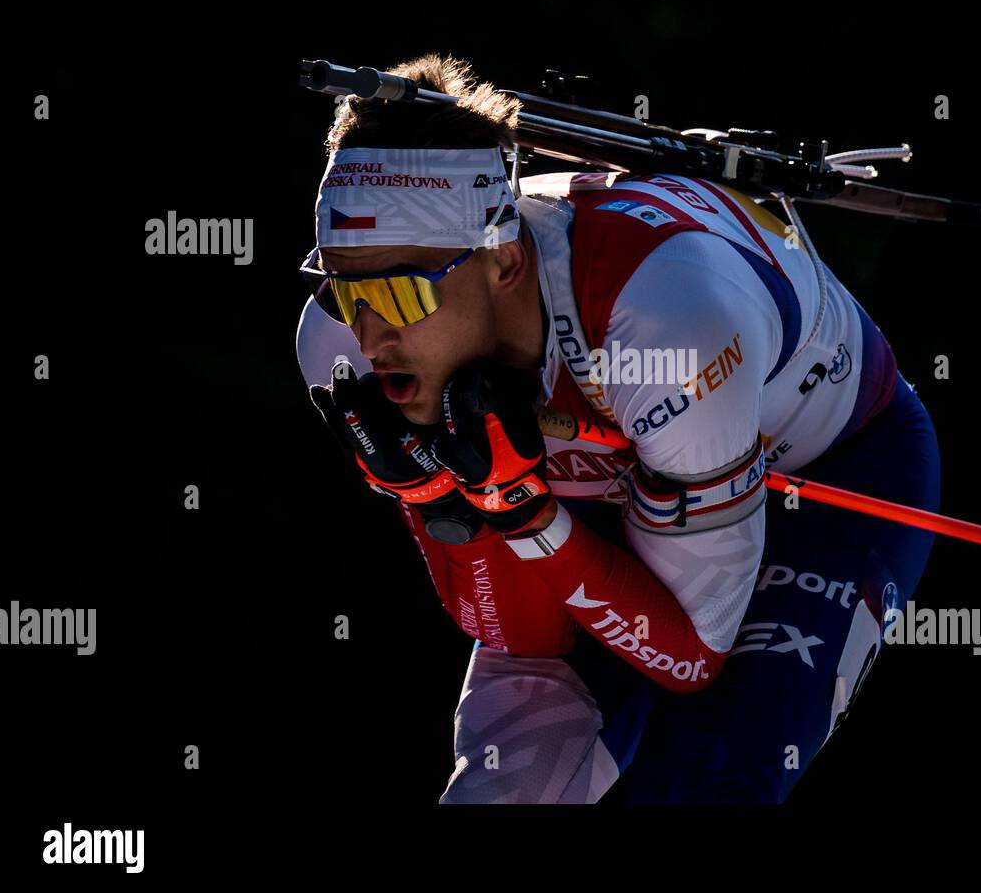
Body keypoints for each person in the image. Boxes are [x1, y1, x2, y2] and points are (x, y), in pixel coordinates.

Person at [296, 53, 941, 803]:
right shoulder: (338, 344)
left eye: (401, 294)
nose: (370, 337)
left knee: (704, 782)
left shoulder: (661, 322)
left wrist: (521, 511)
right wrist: (446, 499)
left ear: (503, 260)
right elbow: (524, 639)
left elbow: (692, 656)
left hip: (829, 475)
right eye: (345, 291)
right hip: (606, 480)